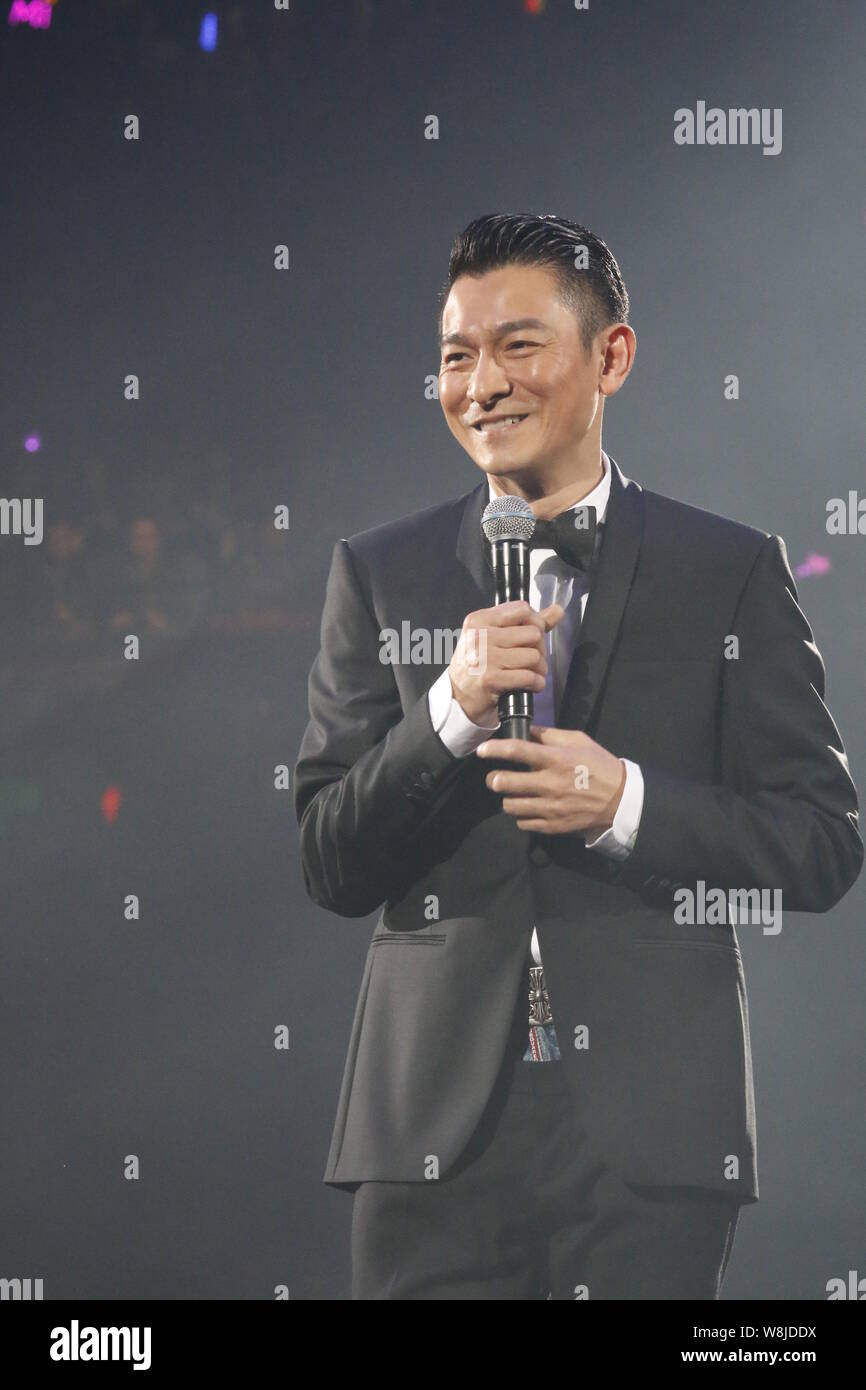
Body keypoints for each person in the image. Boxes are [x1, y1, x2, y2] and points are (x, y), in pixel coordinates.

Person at [293, 212, 863, 1300]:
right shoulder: (380, 572)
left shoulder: (728, 571)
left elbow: (821, 842)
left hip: (652, 1136)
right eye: (455, 356)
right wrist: (449, 713)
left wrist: (630, 804)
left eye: (517, 345)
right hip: (429, 1133)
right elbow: (328, 859)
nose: (480, 383)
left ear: (610, 355)